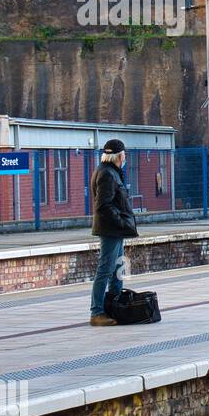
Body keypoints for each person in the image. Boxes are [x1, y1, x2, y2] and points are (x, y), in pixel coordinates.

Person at [89, 139, 138, 326]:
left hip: (115, 229)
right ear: (118, 156)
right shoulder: (107, 174)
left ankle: (115, 306)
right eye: (124, 154)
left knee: (118, 268)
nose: (125, 157)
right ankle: (97, 312)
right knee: (106, 269)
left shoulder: (109, 171)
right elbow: (103, 205)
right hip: (110, 229)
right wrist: (120, 222)